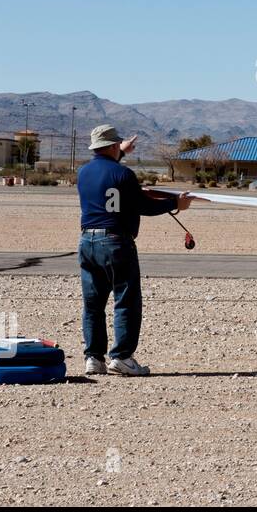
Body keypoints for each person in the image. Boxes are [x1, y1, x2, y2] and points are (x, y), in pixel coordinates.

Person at [76, 124, 191, 376]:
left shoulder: (83, 172)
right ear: (115, 146)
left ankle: (94, 358)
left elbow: (109, 184)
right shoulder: (123, 175)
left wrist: (122, 154)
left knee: (93, 304)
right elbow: (142, 206)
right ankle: (122, 357)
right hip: (116, 242)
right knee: (126, 300)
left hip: (87, 242)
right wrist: (176, 202)